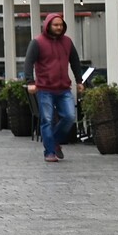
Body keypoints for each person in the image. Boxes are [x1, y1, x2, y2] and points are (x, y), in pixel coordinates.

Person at [24, 12, 84, 162]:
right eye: (55, 25)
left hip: (64, 88)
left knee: (69, 117)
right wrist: (30, 82)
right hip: (45, 89)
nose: (58, 27)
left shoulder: (67, 42)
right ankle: (49, 152)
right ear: (48, 25)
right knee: (47, 120)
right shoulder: (37, 42)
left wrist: (79, 80)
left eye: (60, 25)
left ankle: (53, 141)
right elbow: (28, 63)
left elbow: (75, 62)